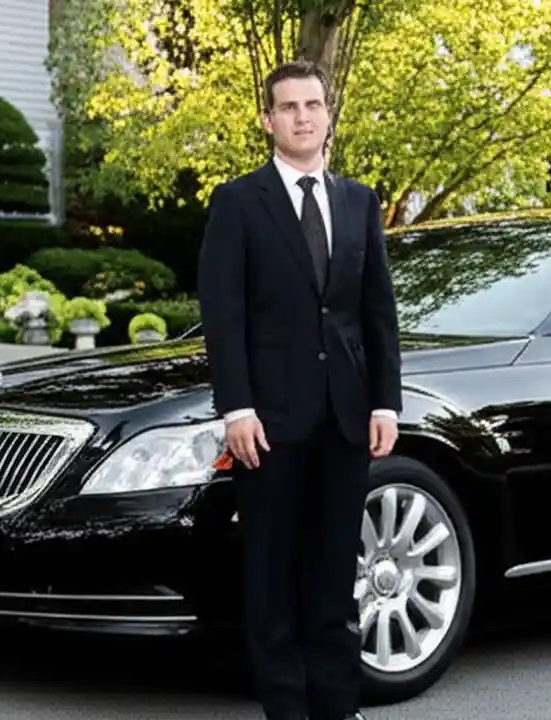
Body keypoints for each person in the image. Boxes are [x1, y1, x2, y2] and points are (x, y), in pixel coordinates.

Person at [197, 60, 403, 720]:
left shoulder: (358, 201)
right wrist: (236, 406)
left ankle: (339, 709)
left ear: (327, 114)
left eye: (313, 104)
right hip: (269, 423)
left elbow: (376, 313)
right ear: (268, 120)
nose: (303, 116)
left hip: (345, 419)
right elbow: (222, 313)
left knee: (334, 576)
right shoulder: (237, 202)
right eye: (289, 107)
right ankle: (286, 710)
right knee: (270, 580)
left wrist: (384, 400)